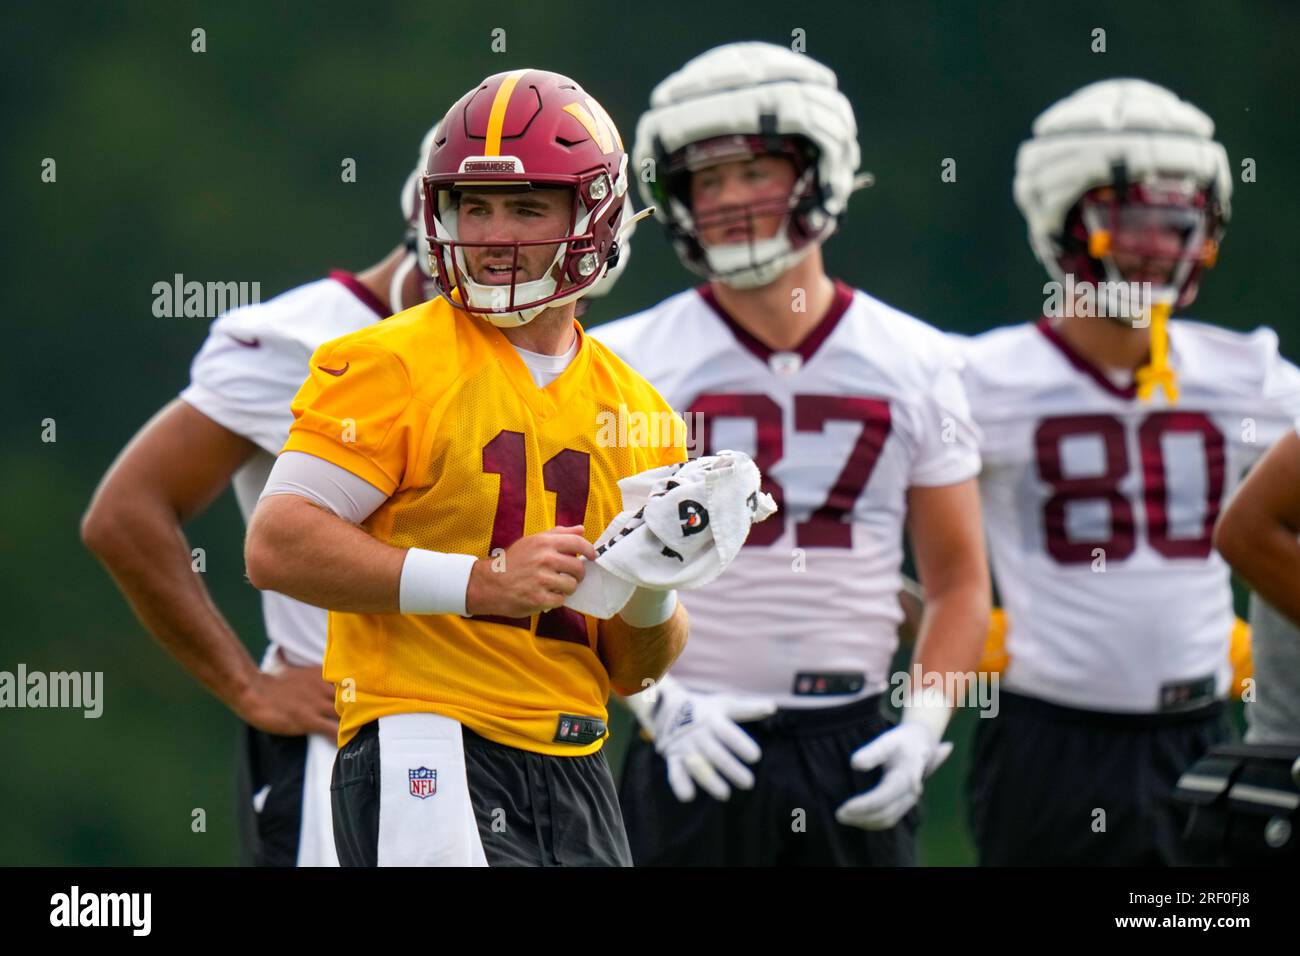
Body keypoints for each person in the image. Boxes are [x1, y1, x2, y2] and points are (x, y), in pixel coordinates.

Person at [243, 69, 692, 867]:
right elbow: (277, 544)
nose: (492, 234)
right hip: (430, 739)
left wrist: (657, 584)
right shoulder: (394, 359)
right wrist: (480, 583)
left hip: (578, 764)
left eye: (525, 207)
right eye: (472, 206)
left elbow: (631, 672)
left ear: (594, 215)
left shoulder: (642, 411)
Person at [594, 42, 991, 866]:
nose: (731, 200)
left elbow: (958, 584)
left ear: (820, 171)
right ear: (676, 199)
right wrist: (657, 702)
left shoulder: (916, 359)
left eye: (756, 172)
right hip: (686, 742)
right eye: (707, 180)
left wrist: (919, 730)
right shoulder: (626, 359)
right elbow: (585, 566)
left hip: (848, 743)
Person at [80, 126, 444, 866]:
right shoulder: (304, 340)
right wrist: (246, 685)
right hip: (342, 748)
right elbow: (124, 515)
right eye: (478, 210)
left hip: (487, 737)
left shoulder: (543, 358)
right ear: (429, 216)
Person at [961, 78, 1300, 865]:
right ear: (1064, 221)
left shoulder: (1245, 370)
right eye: (1133, 223)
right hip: (1050, 739)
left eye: (1178, 224)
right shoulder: (980, 377)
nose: (1157, 246)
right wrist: (959, 632)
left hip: (1205, 732)